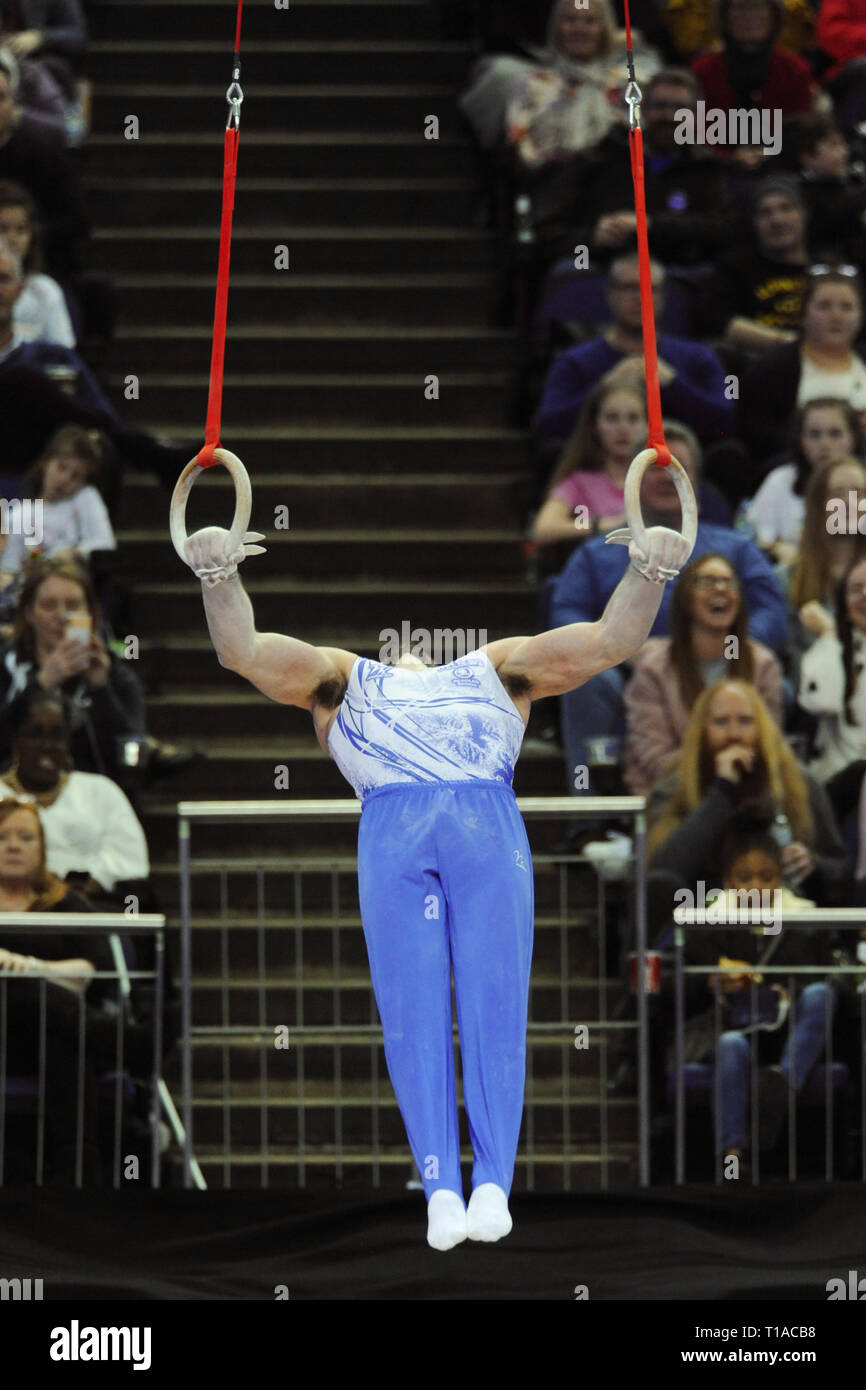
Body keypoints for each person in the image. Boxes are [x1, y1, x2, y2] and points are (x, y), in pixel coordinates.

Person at [181, 495, 693, 1250]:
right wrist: (217, 573)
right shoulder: (341, 679)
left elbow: (607, 642)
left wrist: (652, 568)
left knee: (495, 1001)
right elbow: (243, 651)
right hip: (397, 831)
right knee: (412, 1012)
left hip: (485, 829)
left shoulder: (497, 669)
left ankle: (491, 1180)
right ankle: (438, 1186)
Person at [550, 432, 787, 809]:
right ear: (630, 481)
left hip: (719, 667)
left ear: (693, 480)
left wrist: (716, 649)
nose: (664, 477)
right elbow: (565, 612)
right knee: (586, 681)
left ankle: (765, 805)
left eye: (675, 470)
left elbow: (773, 610)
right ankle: (593, 818)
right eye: (653, 470)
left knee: (774, 679)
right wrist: (617, 647)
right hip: (623, 668)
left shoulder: (735, 548)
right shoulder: (596, 554)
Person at [662, 819, 836, 1171]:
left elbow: (833, 976)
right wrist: (709, 983)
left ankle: (781, 1085)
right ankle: (733, 1159)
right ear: (728, 882)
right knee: (731, 1046)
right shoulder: (701, 924)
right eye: (745, 878)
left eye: (766, 878)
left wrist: (787, 991)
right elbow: (667, 981)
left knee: (820, 993)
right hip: (733, 1027)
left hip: (790, 1035)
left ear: (781, 881)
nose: (755, 887)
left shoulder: (807, 922)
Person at [0, 796, 154, 1184]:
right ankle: (125, 1044)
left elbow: (93, 970)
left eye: (25, 837)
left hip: (51, 1035)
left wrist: (30, 968)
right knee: (30, 998)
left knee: (56, 1029)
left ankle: (78, 1176)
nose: (14, 845)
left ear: (42, 847)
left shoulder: (64, 902)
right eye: (2, 837)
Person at [648, 677, 850, 903]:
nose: (734, 733)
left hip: (787, 923)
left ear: (762, 728)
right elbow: (663, 873)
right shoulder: (673, 789)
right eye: (721, 722)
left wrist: (813, 865)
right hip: (701, 920)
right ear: (702, 731)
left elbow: (839, 871)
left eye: (745, 721)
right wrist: (721, 791)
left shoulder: (800, 784)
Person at [531, 67, 733, 272]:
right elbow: (545, 231)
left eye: (680, 108)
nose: (669, 116)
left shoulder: (707, 168)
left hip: (677, 276)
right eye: (660, 106)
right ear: (642, 110)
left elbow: (723, 230)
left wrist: (651, 225)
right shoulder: (598, 159)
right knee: (567, 270)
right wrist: (591, 237)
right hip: (602, 271)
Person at [533, 253, 735, 449]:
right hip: (597, 471)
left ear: (664, 297)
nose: (640, 298)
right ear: (610, 294)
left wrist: (673, 384)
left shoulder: (698, 356)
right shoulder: (576, 361)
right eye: (629, 288)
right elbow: (547, 426)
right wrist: (603, 389)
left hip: (676, 472)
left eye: (650, 289)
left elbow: (726, 424)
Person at [623, 552, 783, 797]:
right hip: (673, 799)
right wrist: (721, 769)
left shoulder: (762, 665)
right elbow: (654, 759)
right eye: (707, 582)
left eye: (728, 583)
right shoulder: (654, 668)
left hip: (746, 796)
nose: (720, 589)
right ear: (686, 599)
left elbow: (768, 747)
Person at [0, 556, 144, 779]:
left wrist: (100, 688)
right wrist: (42, 684)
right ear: (29, 613)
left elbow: (130, 760)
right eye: (49, 605)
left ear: (91, 613)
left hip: (92, 800)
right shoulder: (6, 667)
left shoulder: (117, 676)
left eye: (73, 605)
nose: (61, 616)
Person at [0, 690, 149, 900]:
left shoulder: (100, 790)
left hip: (88, 906)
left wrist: (90, 882)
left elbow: (131, 859)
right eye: (35, 734)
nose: (46, 745)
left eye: (57, 736)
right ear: (15, 741)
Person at [738, 266, 866, 466]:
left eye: (847, 307)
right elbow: (755, 431)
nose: (836, 316)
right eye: (824, 306)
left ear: (860, 316)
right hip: (796, 470)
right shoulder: (772, 367)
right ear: (803, 314)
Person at [742, 397, 865, 566]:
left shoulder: (862, 481)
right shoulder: (779, 481)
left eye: (835, 434)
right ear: (800, 440)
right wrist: (778, 548)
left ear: (855, 438)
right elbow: (753, 539)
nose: (825, 444)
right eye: (814, 435)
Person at [701, 179, 810, 355]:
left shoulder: (827, 265)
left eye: (786, 208)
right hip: (759, 360)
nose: (777, 220)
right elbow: (721, 323)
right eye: (765, 213)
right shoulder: (735, 267)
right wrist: (790, 343)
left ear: (803, 214)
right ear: (754, 223)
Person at [530, 381, 644, 549]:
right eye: (612, 418)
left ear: (649, 425)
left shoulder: (658, 477)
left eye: (633, 419)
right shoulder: (580, 482)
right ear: (595, 426)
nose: (623, 429)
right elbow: (543, 529)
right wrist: (602, 525)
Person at [1, 423, 115, 574]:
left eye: (76, 476)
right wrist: (25, 572)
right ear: (46, 462)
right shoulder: (17, 515)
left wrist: (75, 554)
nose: (65, 479)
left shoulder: (85, 498)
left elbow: (105, 543)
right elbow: (9, 568)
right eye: (61, 467)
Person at [797, 556, 866, 784]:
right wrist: (828, 634)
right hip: (842, 784)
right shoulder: (832, 648)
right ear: (843, 601)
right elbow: (822, 701)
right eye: (856, 589)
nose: (865, 594)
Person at [690, 0, 816, 121]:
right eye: (739, 8)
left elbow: (801, 131)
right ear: (724, 16)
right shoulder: (703, 71)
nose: (748, 16)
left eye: (757, 7)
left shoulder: (795, 71)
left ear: (774, 15)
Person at [0, 179, 74, 344]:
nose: (12, 239)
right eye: (3, 228)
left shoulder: (45, 291)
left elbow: (63, 355)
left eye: (21, 230)